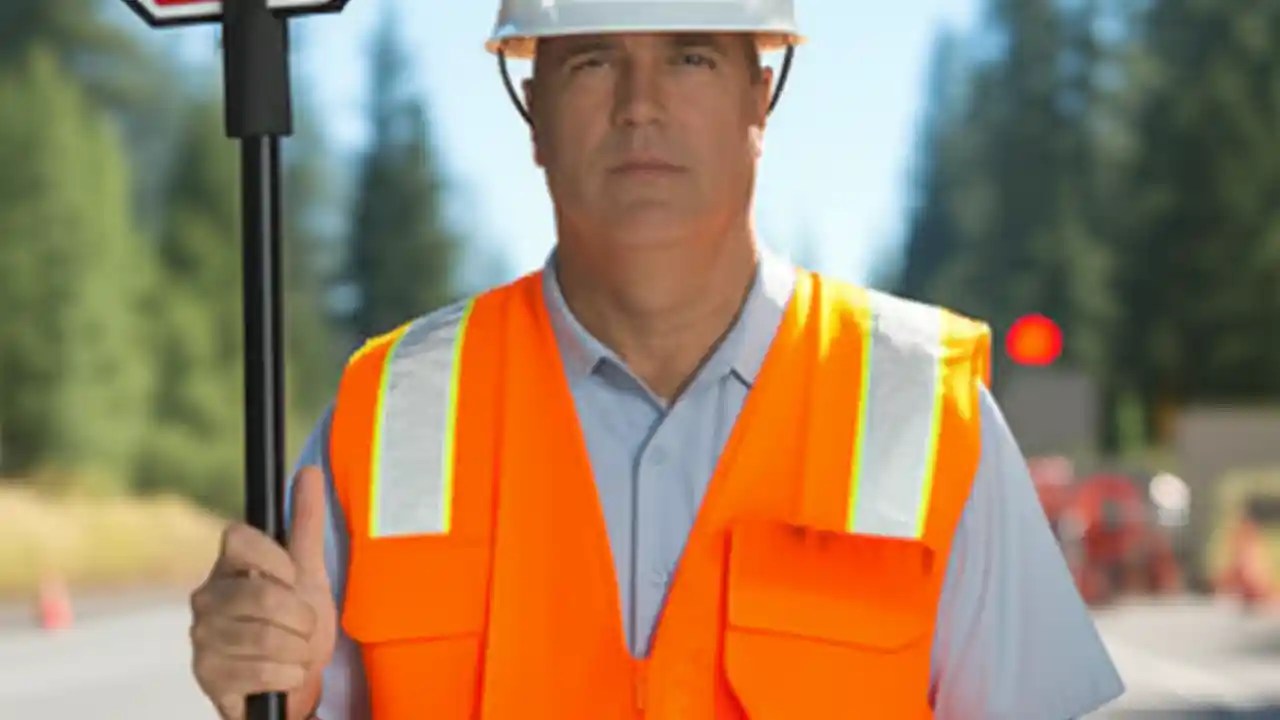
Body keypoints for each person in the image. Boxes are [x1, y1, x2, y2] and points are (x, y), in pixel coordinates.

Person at [188, 1, 1126, 718]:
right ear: (532, 109)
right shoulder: (389, 416)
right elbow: (295, 684)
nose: (641, 107)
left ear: (760, 95)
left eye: (689, 55)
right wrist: (282, 690)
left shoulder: (924, 408)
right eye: (594, 59)